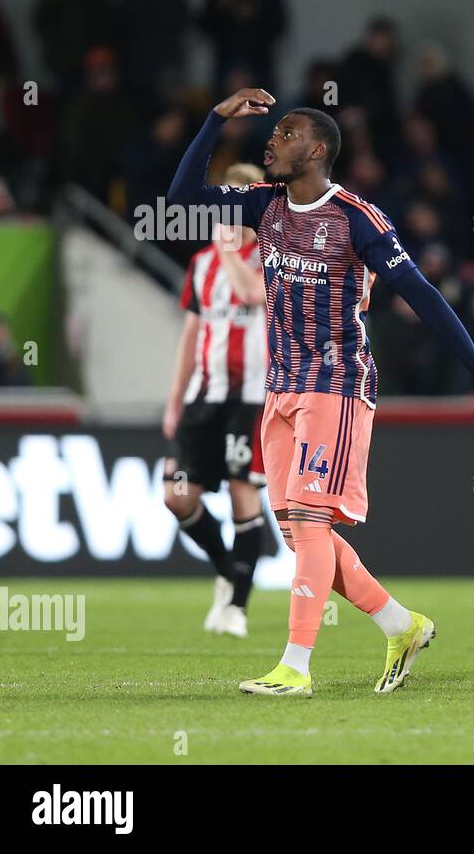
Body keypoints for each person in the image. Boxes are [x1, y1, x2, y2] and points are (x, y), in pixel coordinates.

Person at [168, 87, 474, 696]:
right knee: (302, 533)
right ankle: (399, 623)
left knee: (308, 520)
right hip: (278, 390)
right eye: (272, 133)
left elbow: (425, 297)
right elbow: (182, 199)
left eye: (285, 134)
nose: (271, 142)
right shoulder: (263, 206)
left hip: (335, 383)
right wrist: (214, 120)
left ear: (319, 149)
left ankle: (295, 669)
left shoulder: (357, 217)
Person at [163, 162, 272, 638]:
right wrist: (173, 401)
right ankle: (228, 572)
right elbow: (191, 334)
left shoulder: (273, 256)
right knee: (177, 495)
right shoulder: (202, 264)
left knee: (240, 491)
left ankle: (238, 610)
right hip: (204, 395)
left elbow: (251, 293)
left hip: (251, 396)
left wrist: (229, 251)